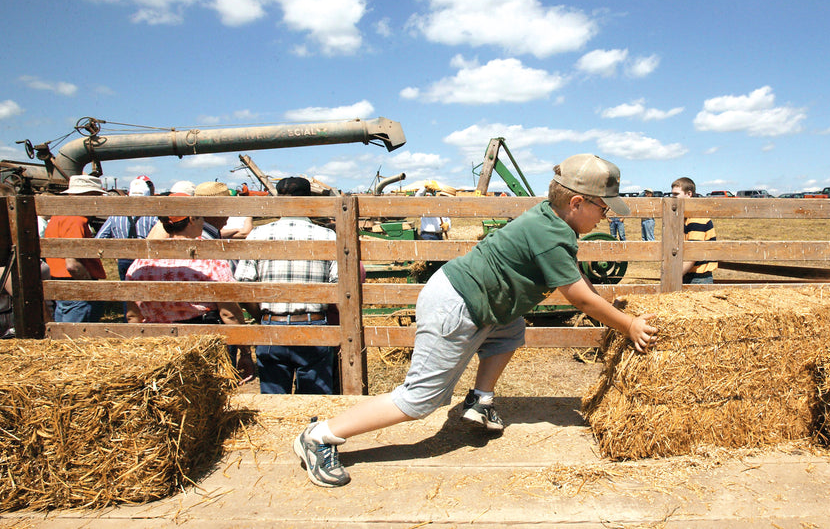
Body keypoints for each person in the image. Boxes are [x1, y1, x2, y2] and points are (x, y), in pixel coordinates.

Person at [290, 153, 659, 488]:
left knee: (510, 329)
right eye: (603, 208)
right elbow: (578, 296)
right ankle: (320, 436)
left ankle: (479, 400)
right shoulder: (551, 233)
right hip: (455, 306)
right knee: (419, 401)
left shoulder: (552, 220)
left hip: (470, 299)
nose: (606, 216)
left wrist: (611, 307)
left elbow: (576, 278)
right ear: (577, 203)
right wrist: (627, 325)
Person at [125, 194, 255, 379]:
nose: (203, 222)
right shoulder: (210, 261)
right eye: (201, 217)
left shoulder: (141, 264)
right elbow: (229, 314)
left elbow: (133, 315)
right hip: (201, 346)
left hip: (158, 348)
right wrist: (245, 352)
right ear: (192, 219)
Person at [234, 177, 339, 395]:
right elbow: (338, 287)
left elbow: (243, 286)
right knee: (314, 402)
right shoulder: (327, 235)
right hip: (313, 325)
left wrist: (261, 316)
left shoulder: (258, 234)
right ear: (308, 200)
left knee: (273, 401)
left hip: (272, 325)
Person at [43, 175, 108, 323]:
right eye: (97, 196)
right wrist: (88, 286)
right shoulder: (76, 220)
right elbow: (72, 264)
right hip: (77, 287)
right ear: (88, 196)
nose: (99, 201)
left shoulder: (58, 216)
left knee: (64, 330)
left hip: (60, 283)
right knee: (79, 332)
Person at [94, 176, 158, 280]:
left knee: (126, 286)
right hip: (145, 258)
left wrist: (115, 253)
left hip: (123, 258)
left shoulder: (115, 216)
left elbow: (99, 239)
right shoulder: (154, 217)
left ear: (129, 194)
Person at [671, 177, 717, 284]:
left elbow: (693, 254)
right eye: (672, 194)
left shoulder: (697, 218)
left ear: (689, 194)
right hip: (687, 273)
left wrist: (672, 278)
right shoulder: (684, 217)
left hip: (698, 278)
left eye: (676, 194)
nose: (673, 198)